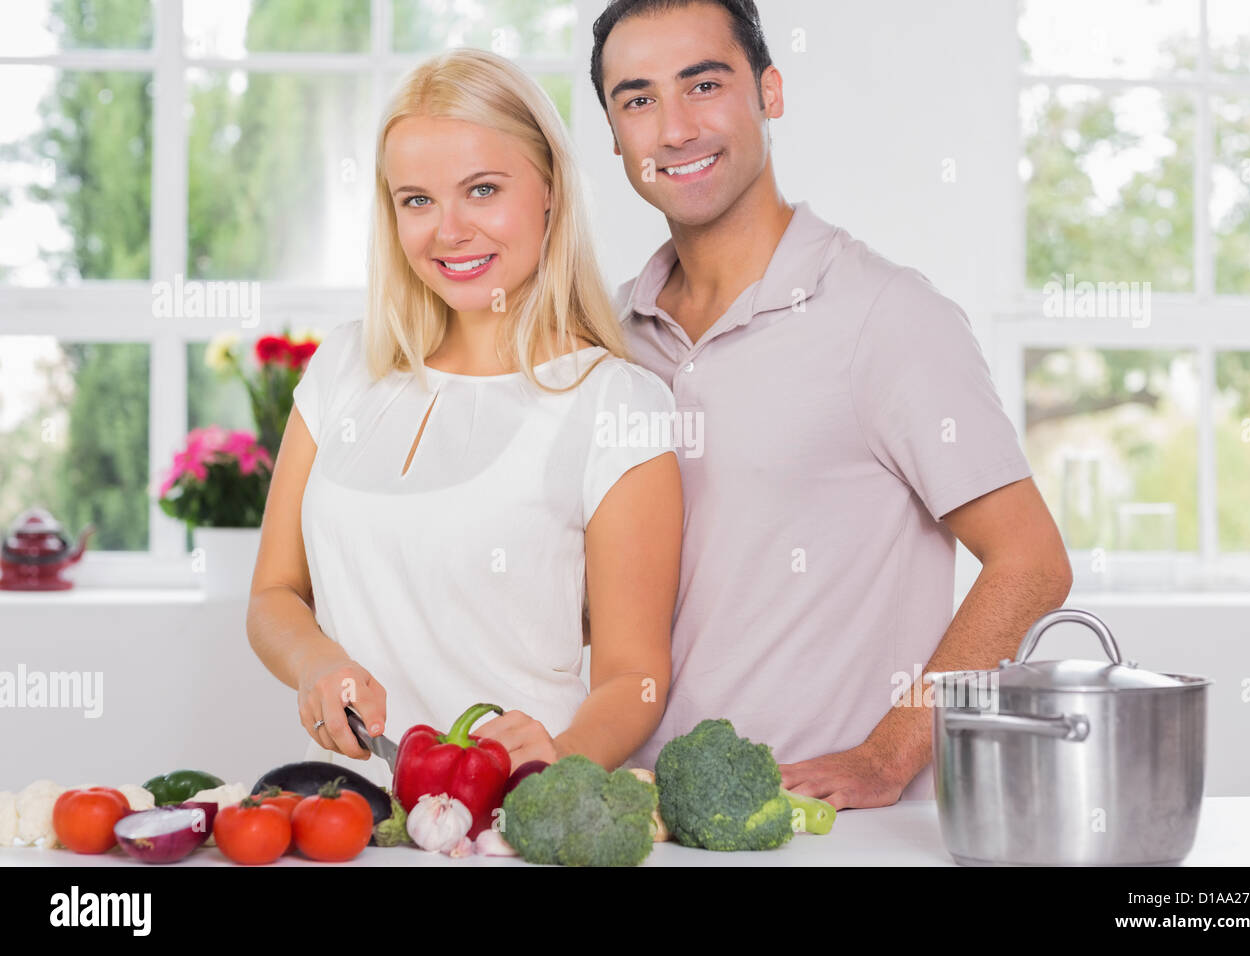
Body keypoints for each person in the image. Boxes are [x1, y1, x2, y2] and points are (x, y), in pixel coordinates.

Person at [590, 0, 1073, 806]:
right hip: (644, 822)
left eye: (703, 84)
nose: (674, 128)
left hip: (825, 830)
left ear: (769, 92)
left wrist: (886, 756)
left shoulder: (886, 316)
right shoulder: (607, 335)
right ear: (613, 134)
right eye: (637, 99)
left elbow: (1031, 564)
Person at [247, 48, 683, 786]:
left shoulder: (617, 406)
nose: (448, 230)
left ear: (549, 189)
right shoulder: (347, 369)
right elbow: (273, 595)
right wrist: (318, 662)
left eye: (482, 190)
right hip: (351, 816)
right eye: (416, 200)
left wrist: (560, 759)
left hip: (512, 821)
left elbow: (633, 676)